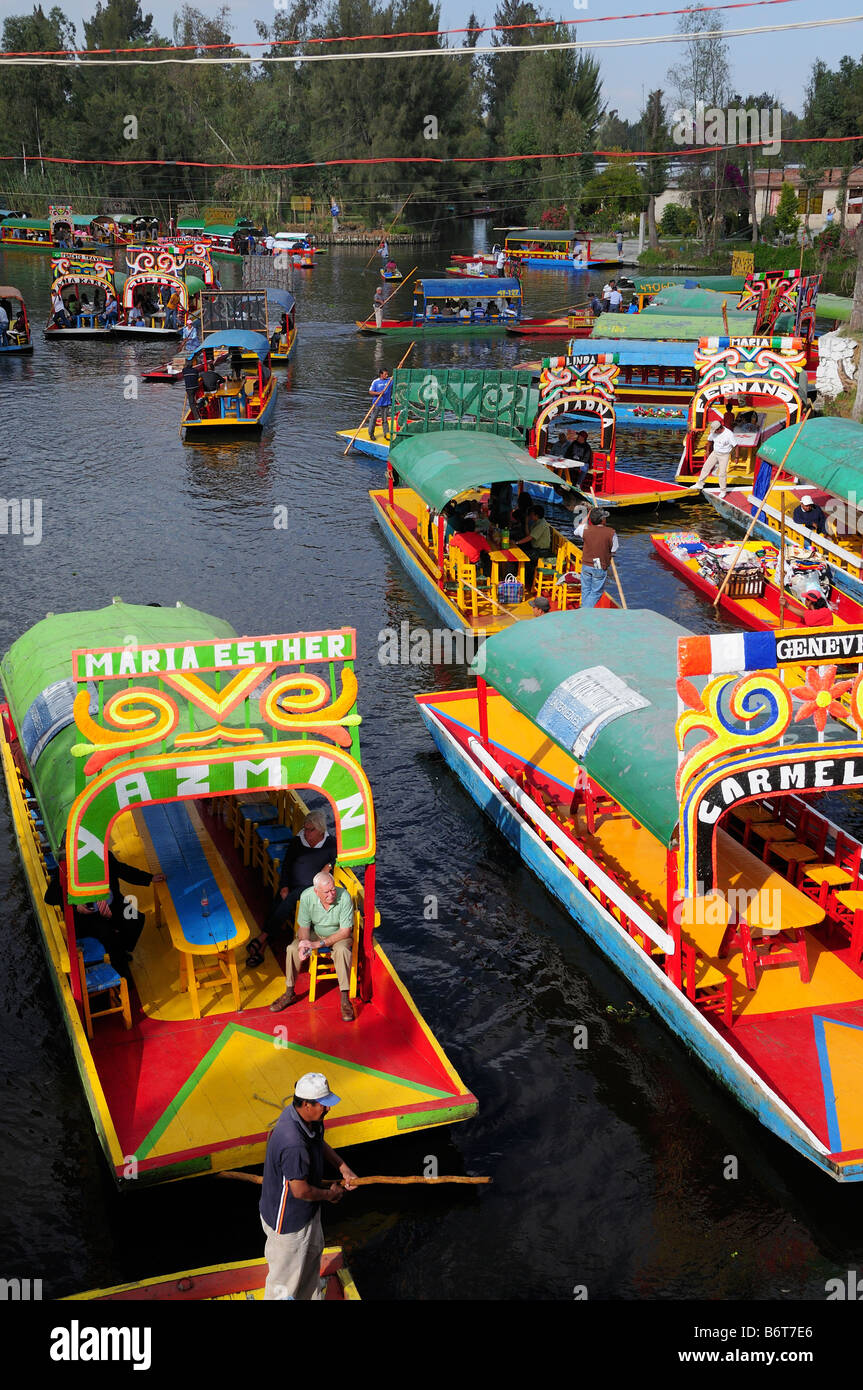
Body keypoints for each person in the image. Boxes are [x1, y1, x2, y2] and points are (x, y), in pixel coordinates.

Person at [259, 1072, 358, 1301]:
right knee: (283, 1287)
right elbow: (300, 1191)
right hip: (288, 1225)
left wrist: (342, 1166)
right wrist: (330, 1195)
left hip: (307, 1213)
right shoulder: (293, 1144)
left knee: (310, 1266)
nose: (328, 1109)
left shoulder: (305, 1118)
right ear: (306, 1104)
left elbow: (317, 1141)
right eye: (324, 1105)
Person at [45, 842, 164, 978]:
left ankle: (122, 948)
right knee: (108, 936)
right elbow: (49, 898)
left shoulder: (104, 856)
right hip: (88, 917)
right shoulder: (65, 869)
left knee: (136, 920)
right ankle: (122, 970)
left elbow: (123, 870)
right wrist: (74, 903)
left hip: (112, 905)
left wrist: (150, 878)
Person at [247, 811, 337, 967]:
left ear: (321, 830)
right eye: (306, 828)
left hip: (311, 889)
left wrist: (330, 865)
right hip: (293, 885)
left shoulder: (330, 844)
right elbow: (287, 865)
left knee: (288, 901)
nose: (307, 833)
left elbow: (339, 859)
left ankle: (262, 938)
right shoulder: (298, 841)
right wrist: (284, 886)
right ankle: (262, 947)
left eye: (311, 830)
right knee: (278, 901)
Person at [270, 871, 357, 1022]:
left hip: (338, 936)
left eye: (333, 889)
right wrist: (304, 943)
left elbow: (345, 932)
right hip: (316, 932)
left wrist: (318, 944)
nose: (331, 894)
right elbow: (303, 926)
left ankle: (344, 999)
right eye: (326, 892)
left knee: (342, 951)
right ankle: (289, 992)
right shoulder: (307, 896)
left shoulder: (344, 897)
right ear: (316, 891)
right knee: (292, 948)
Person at [573, 507, 619, 608]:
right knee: (596, 593)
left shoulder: (585, 529)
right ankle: (584, 611)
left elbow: (577, 530)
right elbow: (613, 550)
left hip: (586, 564)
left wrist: (587, 516)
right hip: (599, 566)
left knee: (586, 590)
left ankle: (584, 609)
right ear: (602, 520)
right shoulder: (611, 532)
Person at [512, 502, 554, 587]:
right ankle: (524, 577)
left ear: (536, 515)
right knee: (520, 551)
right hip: (535, 548)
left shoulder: (542, 524)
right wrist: (527, 523)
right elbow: (528, 534)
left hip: (542, 551)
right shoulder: (536, 522)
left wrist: (516, 542)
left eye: (531, 514)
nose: (530, 516)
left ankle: (527, 580)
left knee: (521, 557)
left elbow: (530, 537)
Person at [694, 419, 736, 498]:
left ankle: (723, 490)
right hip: (715, 452)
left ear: (719, 429)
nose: (714, 432)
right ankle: (700, 484)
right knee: (706, 467)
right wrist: (707, 451)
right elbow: (709, 440)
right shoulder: (714, 433)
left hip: (724, 455)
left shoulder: (729, 434)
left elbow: (736, 446)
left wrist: (735, 456)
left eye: (715, 431)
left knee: (722, 473)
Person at [368, 367, 392, 439]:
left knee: (385, 420)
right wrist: (378, 393)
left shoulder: (390, 381)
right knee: (373, 419)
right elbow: (370, 392)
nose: (387, 375)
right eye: (385, 374)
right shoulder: (376, 382)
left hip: (385, 404)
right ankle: (371, 434)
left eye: (387, 374)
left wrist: (399, 366)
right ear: (381, 374)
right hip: (377, 404)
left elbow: (396, 375)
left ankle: (386, 434)